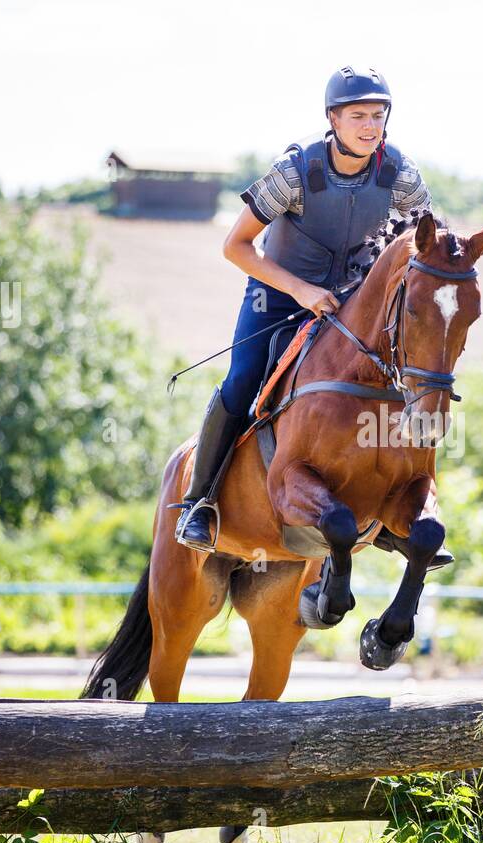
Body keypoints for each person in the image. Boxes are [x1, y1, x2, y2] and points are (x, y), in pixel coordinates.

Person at [173, 66, 446, 569]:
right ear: (332, 119)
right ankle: (200, 502)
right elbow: (235, 246)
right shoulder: (296, 171)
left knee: (404, 378)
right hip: (278, 294)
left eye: (379, 115)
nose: (371, 126)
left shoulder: (400, 172)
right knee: (241, 381)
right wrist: (300, 290)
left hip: (356, 301)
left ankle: (395, 512)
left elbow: (428, 235)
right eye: (359, 115)